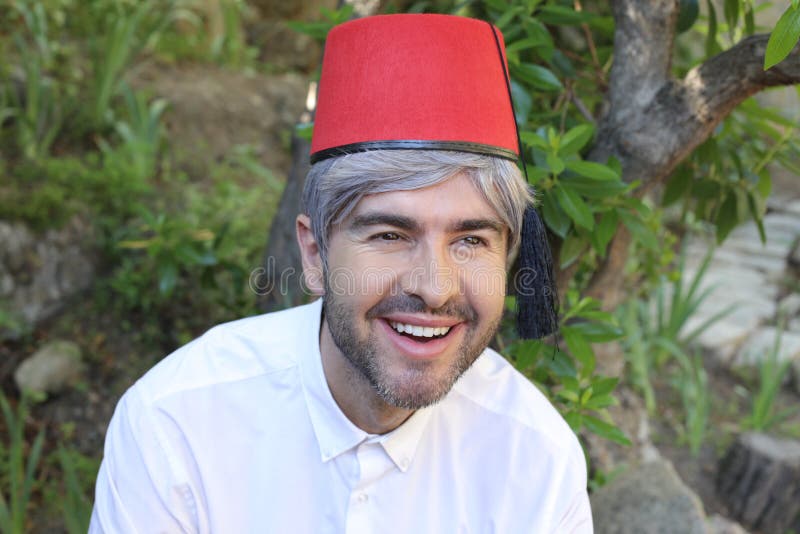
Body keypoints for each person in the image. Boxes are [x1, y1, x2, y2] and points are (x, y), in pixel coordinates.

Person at [89, 13, 593, 533]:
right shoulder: (179, 427)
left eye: (470, 240)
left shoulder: (537, 464)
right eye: (390, 236)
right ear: (313, 253)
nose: (435, 286)